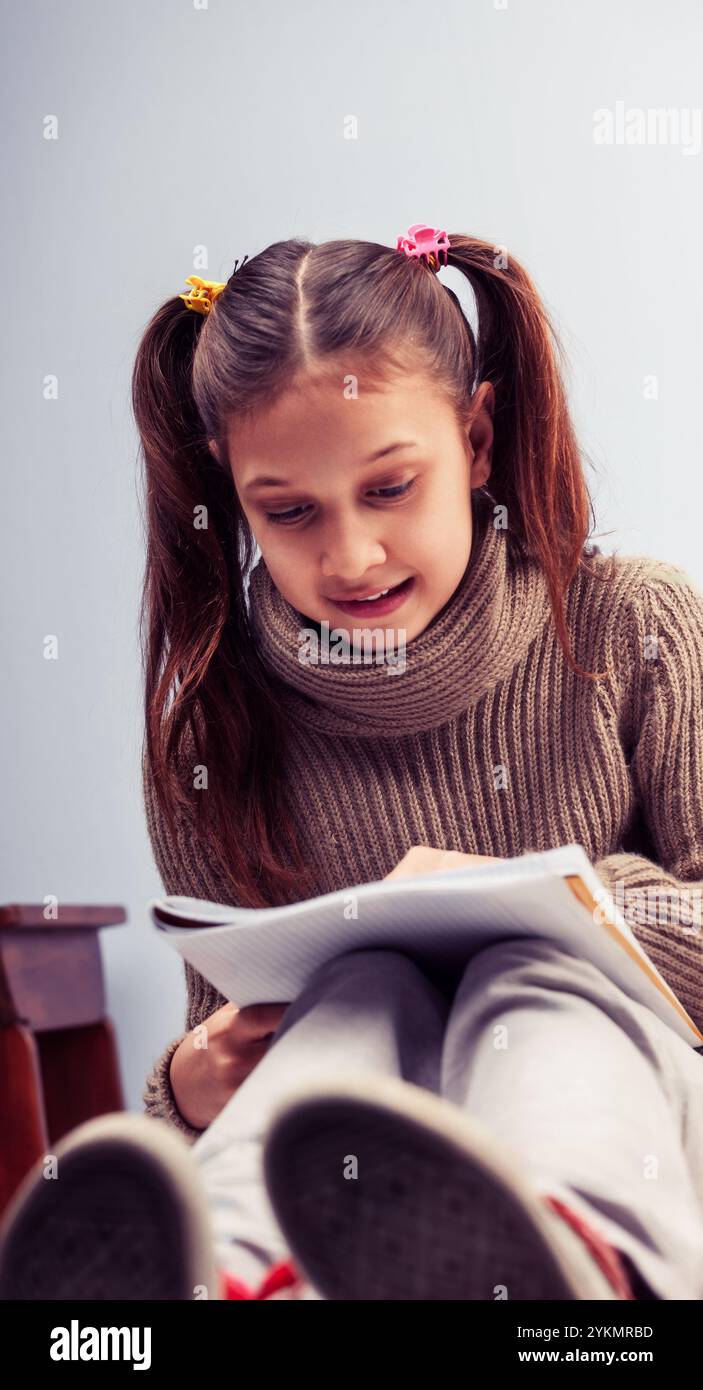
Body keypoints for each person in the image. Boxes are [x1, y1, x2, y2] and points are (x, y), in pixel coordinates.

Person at [8, 227, 701, 1302]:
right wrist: (188, 1082)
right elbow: (232, 1029)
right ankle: (236, 1273)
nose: (350, 557)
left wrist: (546, 903)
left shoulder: (635, 624)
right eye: (287, 513)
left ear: (474, 440)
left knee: (532, 978)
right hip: (352, 1188)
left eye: (389, 489)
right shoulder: (215, 727)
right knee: (354, 991)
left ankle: (585, 1259)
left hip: (628, 1106)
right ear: (234, 502)